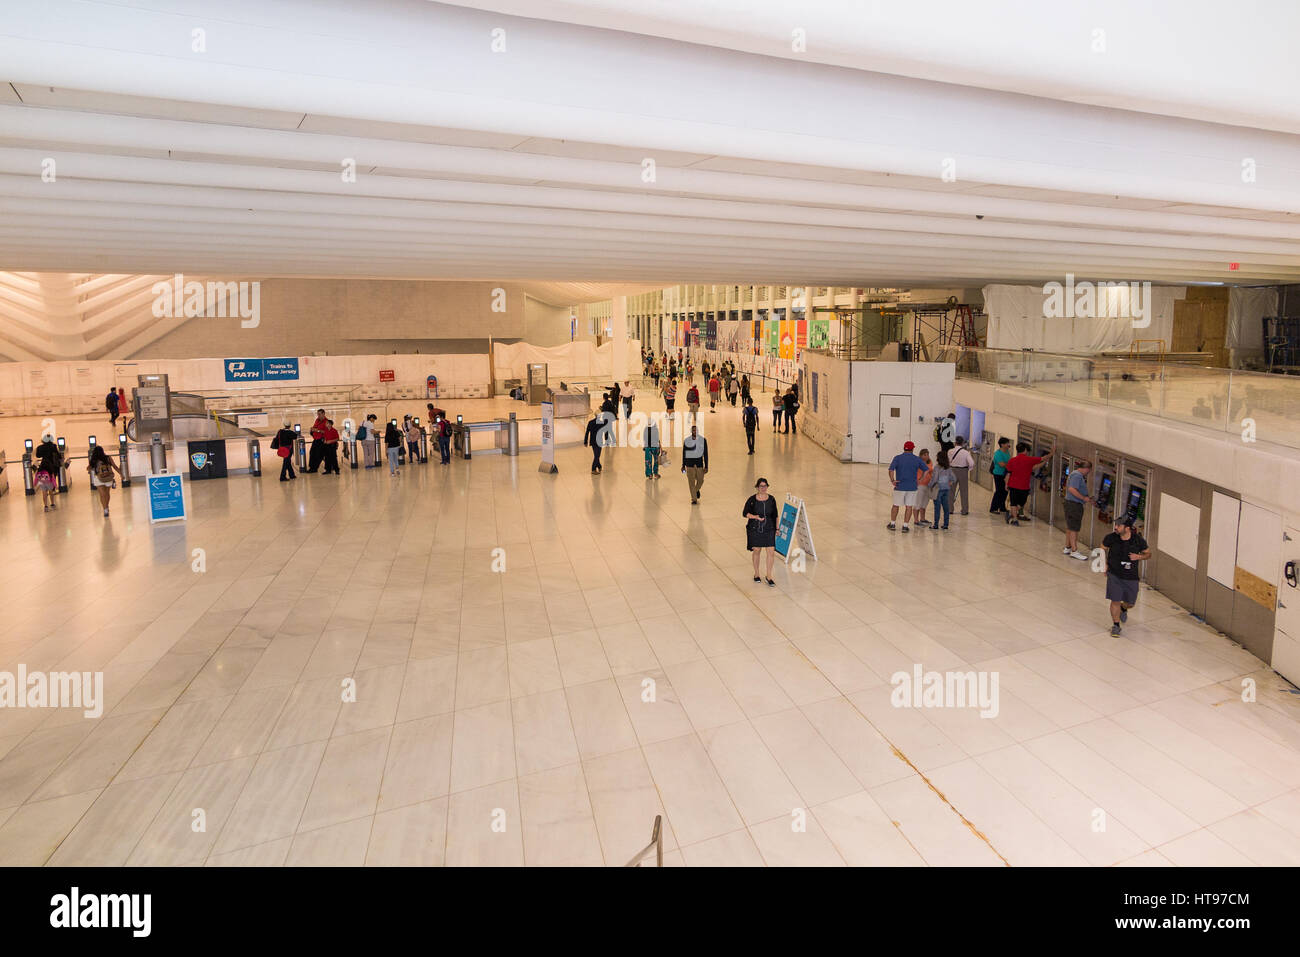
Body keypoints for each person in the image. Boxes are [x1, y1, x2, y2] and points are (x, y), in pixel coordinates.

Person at [1103, 517, 1150, 636]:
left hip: (1131, 577)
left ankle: (1124, 608)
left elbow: (1148, 553)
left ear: (1127, 528)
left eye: (1118, 526)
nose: (1116, 528)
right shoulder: (1111, 538)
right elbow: (1102, 548)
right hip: (1114, 574)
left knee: (1130, 603)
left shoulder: (1137, 540)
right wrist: (1104, 563)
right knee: (1115, 601)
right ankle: (1116, 625)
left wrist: (1139, 557)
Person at [1004, 442, 1053, 526]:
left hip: (1013, 486)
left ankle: (1012, 515)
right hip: (1023, 487)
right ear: (1025, 450)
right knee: (1020, 503)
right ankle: (1015, 519)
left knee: (1014, 503)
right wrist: (1052, 453)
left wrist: (1006, 484)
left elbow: (1008, 474)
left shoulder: (1012, 460)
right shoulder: (1029, 459)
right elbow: (1042, 458)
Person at [743, 477, 779, 586]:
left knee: (771, 552)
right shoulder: (752, 500)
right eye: (761, 486)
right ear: (757, 487)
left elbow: (775, 515)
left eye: (765, 486)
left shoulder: (772, 499)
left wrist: (777, 529)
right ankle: (757, 574)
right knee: (757, 551)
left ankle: (769, 576)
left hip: (769, 528)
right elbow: (745, 513)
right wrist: (755, 517)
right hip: (755, 528)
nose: (763, 488)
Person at [887, 440, 926, 532]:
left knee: (896, 505)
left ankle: (892, 524)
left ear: (904, 448)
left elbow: (891, 470)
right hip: (912, 487)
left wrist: (893, 480)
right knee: (909, 506)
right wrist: (920, 479)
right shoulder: (917, 459)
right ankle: (905, 526)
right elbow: (926, 470)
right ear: (913, 449)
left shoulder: (897, 458)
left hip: (900, 486)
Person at [1063, 460, 1093, 560]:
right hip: (1074, 505)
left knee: (1070, 526)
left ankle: (1068, 547)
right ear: (1086, 469)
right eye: (1088, 471)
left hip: (1070, 503)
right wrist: (1083, 498)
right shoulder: (1077, 476)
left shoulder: (1074, 474)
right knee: (1074, 528)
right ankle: (1074, 551)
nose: (1088, 473)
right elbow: (1072, 489)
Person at [85, 443, 123, 516]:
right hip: (108, 478)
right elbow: (114, 466)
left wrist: (91, 469)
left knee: (102, 495)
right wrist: (121, 474)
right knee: (107, 493)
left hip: (99, 478)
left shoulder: (94, 460)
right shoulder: (108, 458)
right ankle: (107, 506)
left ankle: (105, 509)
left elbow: (88, 468)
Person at [681, 424, 708, 505]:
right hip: (689, 465)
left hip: (699, 464)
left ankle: (696, 490)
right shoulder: (687, 441)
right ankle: (694, 499)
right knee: (691, 482)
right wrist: (683, 465)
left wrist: (706, 466)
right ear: (691, 431)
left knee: (700, 480)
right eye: (693, 430)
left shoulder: (703, 440)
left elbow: (706, 454)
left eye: (696, 430)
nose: (695, 432)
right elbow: (684, 453)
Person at [33, 434, 60, 511]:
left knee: (44, 490)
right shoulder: (53, 446)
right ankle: (52, 503)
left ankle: (45, 506)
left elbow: (38, 455)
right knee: (51, 485)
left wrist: (35, 483)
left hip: (43, 468)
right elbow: (58, 455)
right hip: (52, 466)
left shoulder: (40, 447)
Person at [949, 438, 975, 515]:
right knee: (964, 491)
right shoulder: (966, 453)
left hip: (952, 470)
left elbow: (948, 461)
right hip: (963, 471)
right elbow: (971, 463)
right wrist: (968, 469)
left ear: (955, 442)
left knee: (951, 491)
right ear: (963, 443)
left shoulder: (950, 451)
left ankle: (950, 509)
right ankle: (964, 510)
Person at [931, 450, 956, 530]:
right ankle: (946, 524)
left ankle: (936, 525)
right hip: (946, 489)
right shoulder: (948, 468)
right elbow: (954, 478)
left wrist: (929, 486)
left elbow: (934, 479)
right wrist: (950, 483)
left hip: (938, 489)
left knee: (937, 508)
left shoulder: (937, 467)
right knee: (946, 507)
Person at [988, 436, 1012, 515]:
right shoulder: (998, 453)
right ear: (1002, 444)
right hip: (998, 474)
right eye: (1007, 443)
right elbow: (1001, 464)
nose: (1008, 444)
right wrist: (1010, 465)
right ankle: (993, 508)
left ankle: (1002, 507)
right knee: (999, 491)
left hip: (1005, 474)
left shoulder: (1007, 452)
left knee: (1005, 491)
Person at [913, 449, 935, 527]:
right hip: (920, 485)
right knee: (918, 503)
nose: (926, 456)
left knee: (924, 503)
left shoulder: (930, 462)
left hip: (928, 485)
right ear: (921, 455)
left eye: (927, 455)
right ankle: (916, 520)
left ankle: (922, 518)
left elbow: (931, 471)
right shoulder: (918, 462)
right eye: (924, 455)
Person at [306, 409, 328, 473]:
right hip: (316, 439)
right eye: (317, 414)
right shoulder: (317, 420)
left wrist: (317, 430)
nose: (318, 415)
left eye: (319, 414)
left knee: (319, 455)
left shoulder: (326, 422)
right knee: (312, 453)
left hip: (321, 440)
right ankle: (311, 467)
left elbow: (327, 432)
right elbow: (314, 427)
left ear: (323, 414)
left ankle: (314, 468)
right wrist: (312, 430)